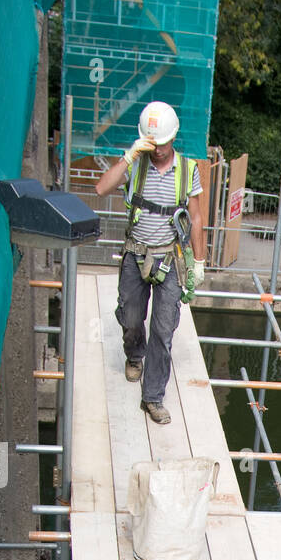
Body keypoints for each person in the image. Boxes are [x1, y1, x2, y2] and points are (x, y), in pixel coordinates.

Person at [95, 101, 205, 425]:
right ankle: (133, 354)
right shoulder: (136, 164)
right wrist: (129, 155)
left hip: (169, 257)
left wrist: (199, 262)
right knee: (130, 315)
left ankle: (153, 396)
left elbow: (196, 218)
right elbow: (101, 188)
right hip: (135, 252)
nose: (157, 149)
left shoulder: (187, 170)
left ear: (174, 138)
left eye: (163, 143)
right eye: (151, 143)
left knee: (163, 330)